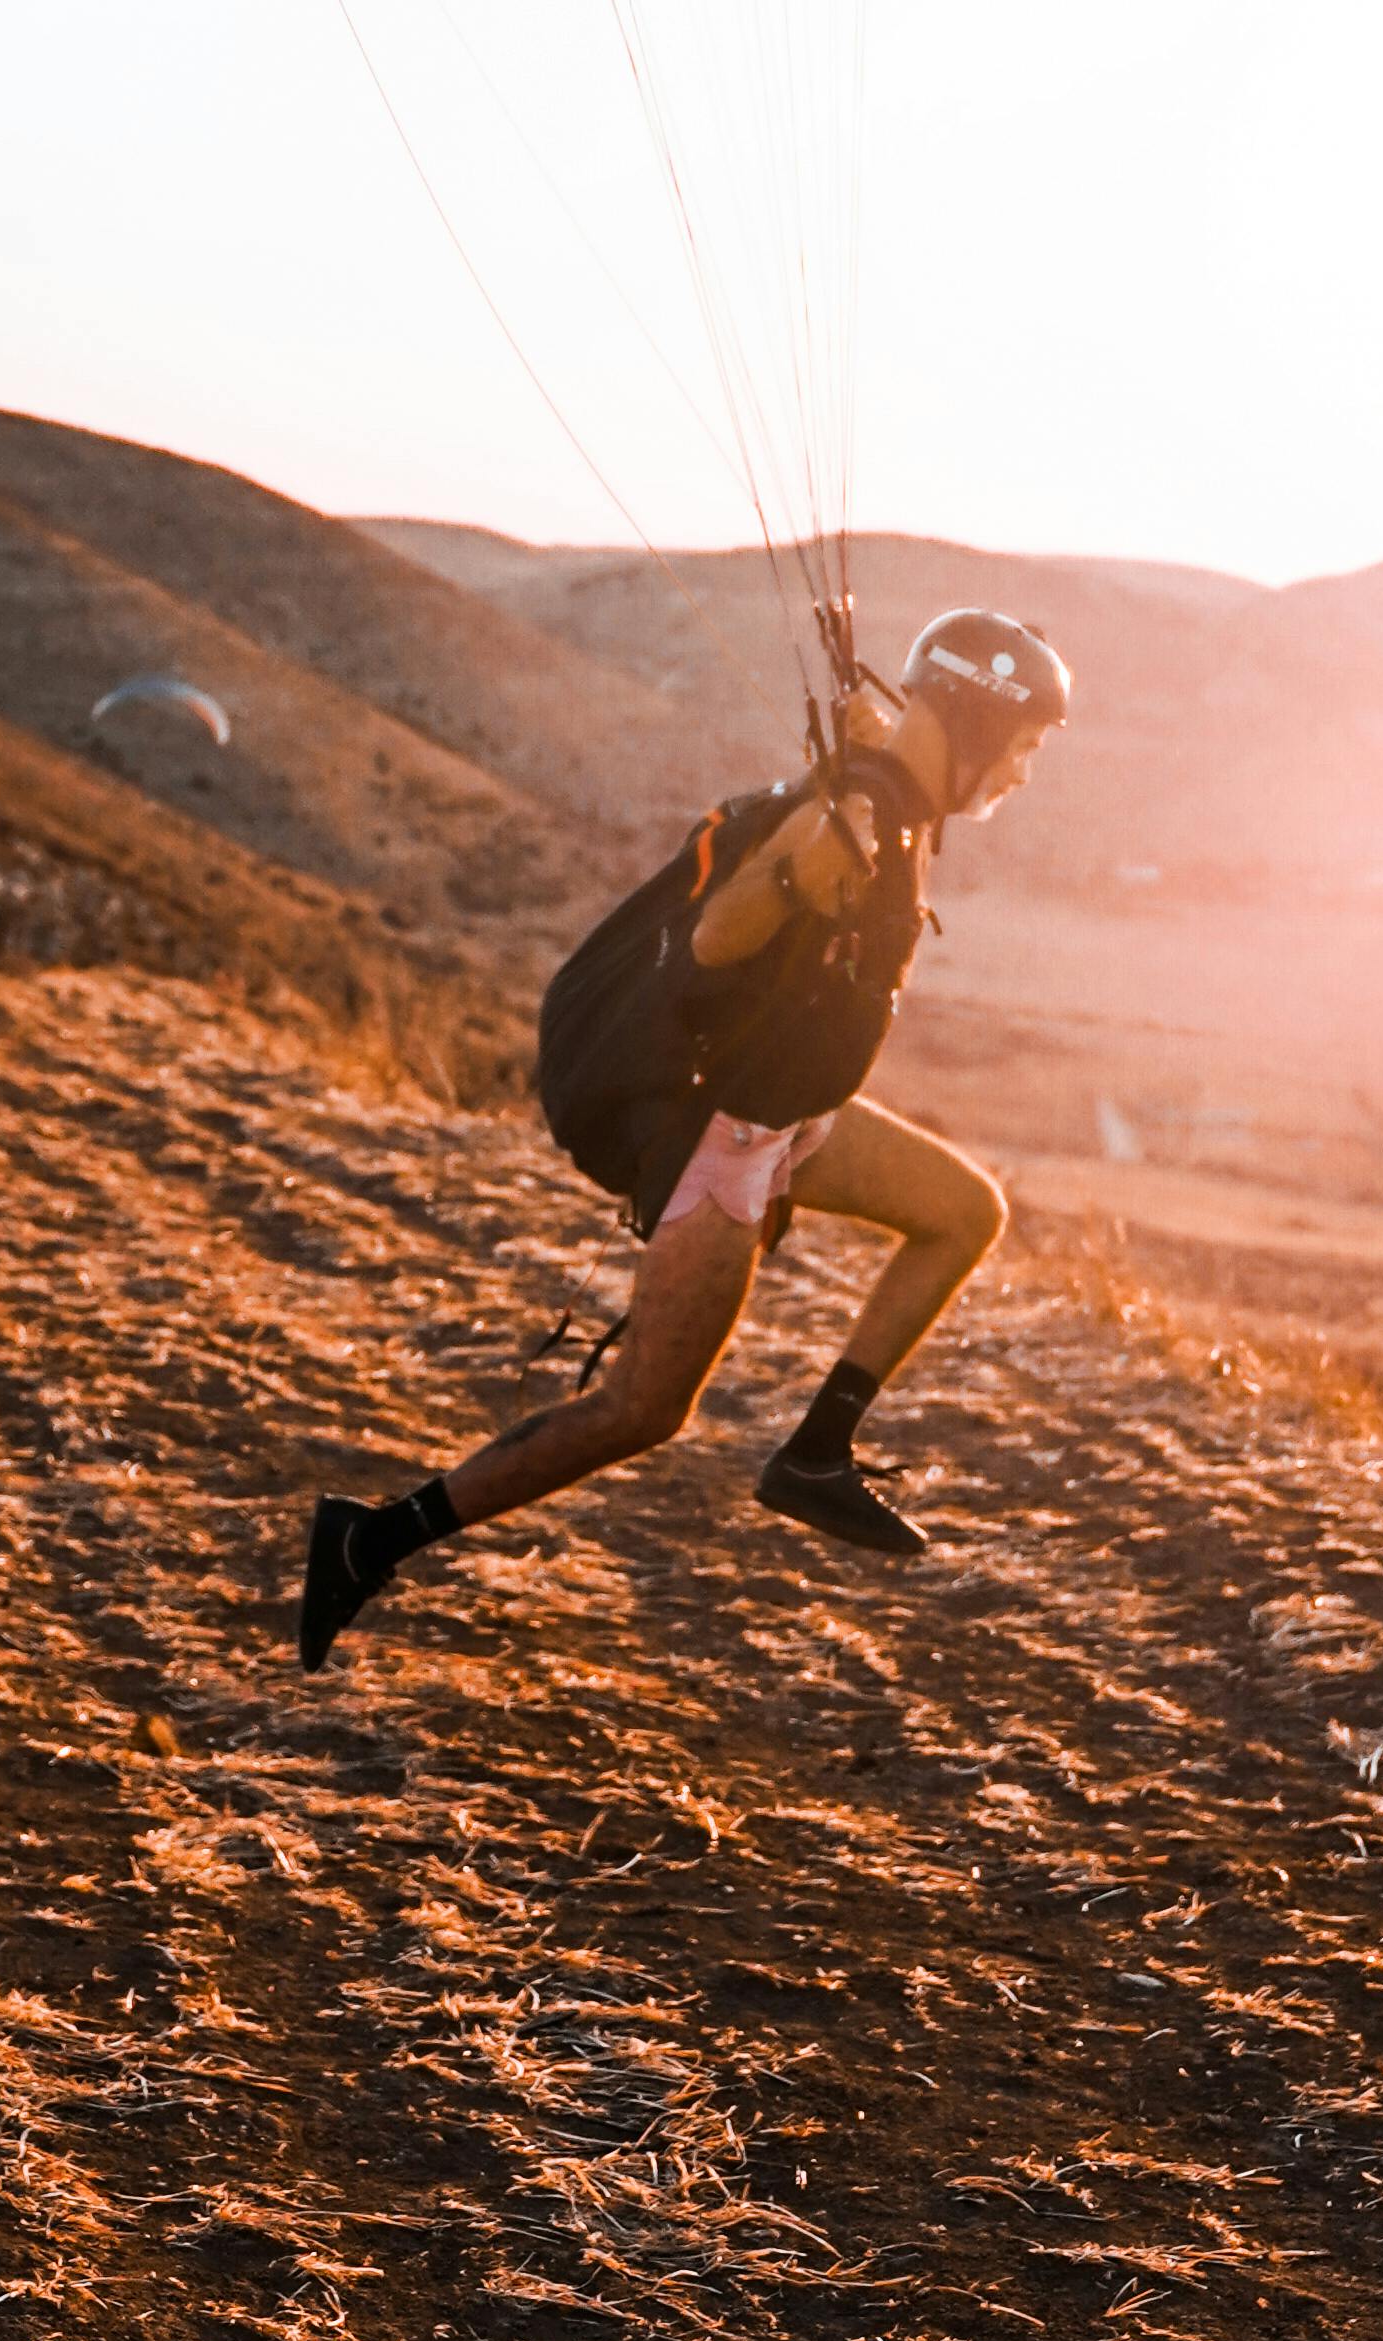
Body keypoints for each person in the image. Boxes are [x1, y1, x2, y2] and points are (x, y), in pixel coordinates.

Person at [300, 606, 1070, 1660]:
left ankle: (817, 1453)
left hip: (792, 1114)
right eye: (1023, 746)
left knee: (963, 1210)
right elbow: (719, 936)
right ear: (975, 723)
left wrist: (864, 770)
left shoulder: (886, 795)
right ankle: (370, 1541)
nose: (1025, 776)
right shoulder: (849, 819)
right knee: (642, 1409)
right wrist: (806, 866)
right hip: (729, 1132)